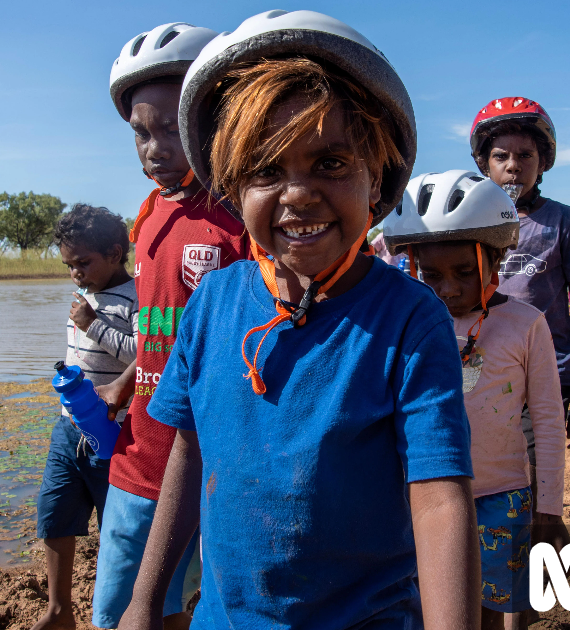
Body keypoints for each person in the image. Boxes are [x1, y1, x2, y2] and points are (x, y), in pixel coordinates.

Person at [120, 10, 479, 630]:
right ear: (232, 190)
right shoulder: (211, 304)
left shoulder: (409, 319)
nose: (297, 193)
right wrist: (145, 600)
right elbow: (188, 451)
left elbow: (440, 498)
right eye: (265, 171)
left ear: (377, 178)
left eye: (331, 163)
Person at [93, 22, 249, 630]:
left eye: (172, 130)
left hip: (212, 469)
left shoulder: (240, 218)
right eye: (141, 134)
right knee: (118, 610)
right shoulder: (151, 213)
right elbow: (166, 332)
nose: (155, 148)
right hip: (139, 456)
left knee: (193, 607)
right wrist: (127, 380)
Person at [382, 170, 567, 629]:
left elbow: (546, 421)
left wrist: (548, 507)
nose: (446, 288)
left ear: (496, 260)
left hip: (501, 496)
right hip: (421, 495)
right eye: (431, 274)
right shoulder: (411, 325)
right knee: (431, 605)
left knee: (495, 610)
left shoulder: (526, 325)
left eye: (464, 272)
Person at [468, 97, 570, 551]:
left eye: (525, 156)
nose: (513, 167)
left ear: (543, 162)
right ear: (484, 163)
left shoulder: (561, 220)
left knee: (535, 483)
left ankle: (528, 578)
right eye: (500, 157)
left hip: (549, 372)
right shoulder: (471, 220)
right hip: (486, 370)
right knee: (490, 477)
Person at [34, 204, 137, 630]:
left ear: (115, 252)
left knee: (116, 525)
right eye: (68, 265)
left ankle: (122, 610)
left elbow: (143, 354)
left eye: (83, 262)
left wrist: (93, 325)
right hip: (67, 428)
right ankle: (59, 609)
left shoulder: (137, 297)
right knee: (54, 512)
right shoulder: (85, 297)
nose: (75, 273)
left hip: (111, 433)